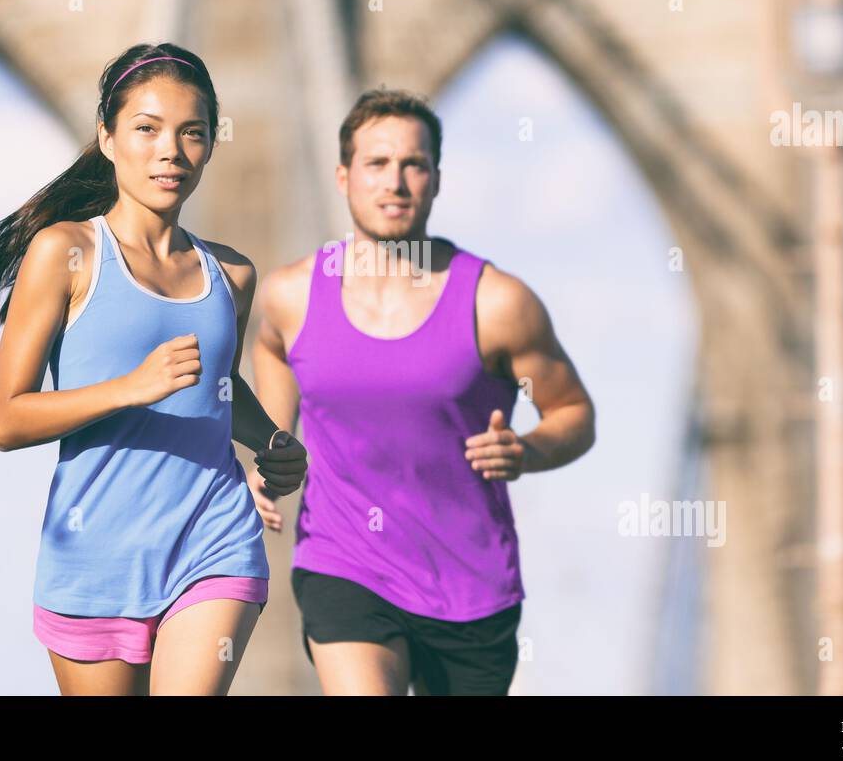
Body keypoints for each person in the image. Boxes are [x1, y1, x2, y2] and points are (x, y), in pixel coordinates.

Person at [0, 42, 308, 696]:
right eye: (146, 129)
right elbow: (6, 418)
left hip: (213, 537)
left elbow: (218, 394)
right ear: (108, 137)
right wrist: (130, 388)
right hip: (95, 558)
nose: (169, 151)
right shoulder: (64, 252)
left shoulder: (230, 275)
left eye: (192, 134)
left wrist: (272, 442)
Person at [251, 88, 595, 695]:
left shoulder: (498, 304)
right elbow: (272, 347)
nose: (396, 182)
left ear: (436, 179)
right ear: (344, 176)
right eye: (377, 164)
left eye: (414, 164)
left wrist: (528, 451)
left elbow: (573, 412)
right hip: (343, 561)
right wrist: (275, 444)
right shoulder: (293, 294)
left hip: (470, 587)